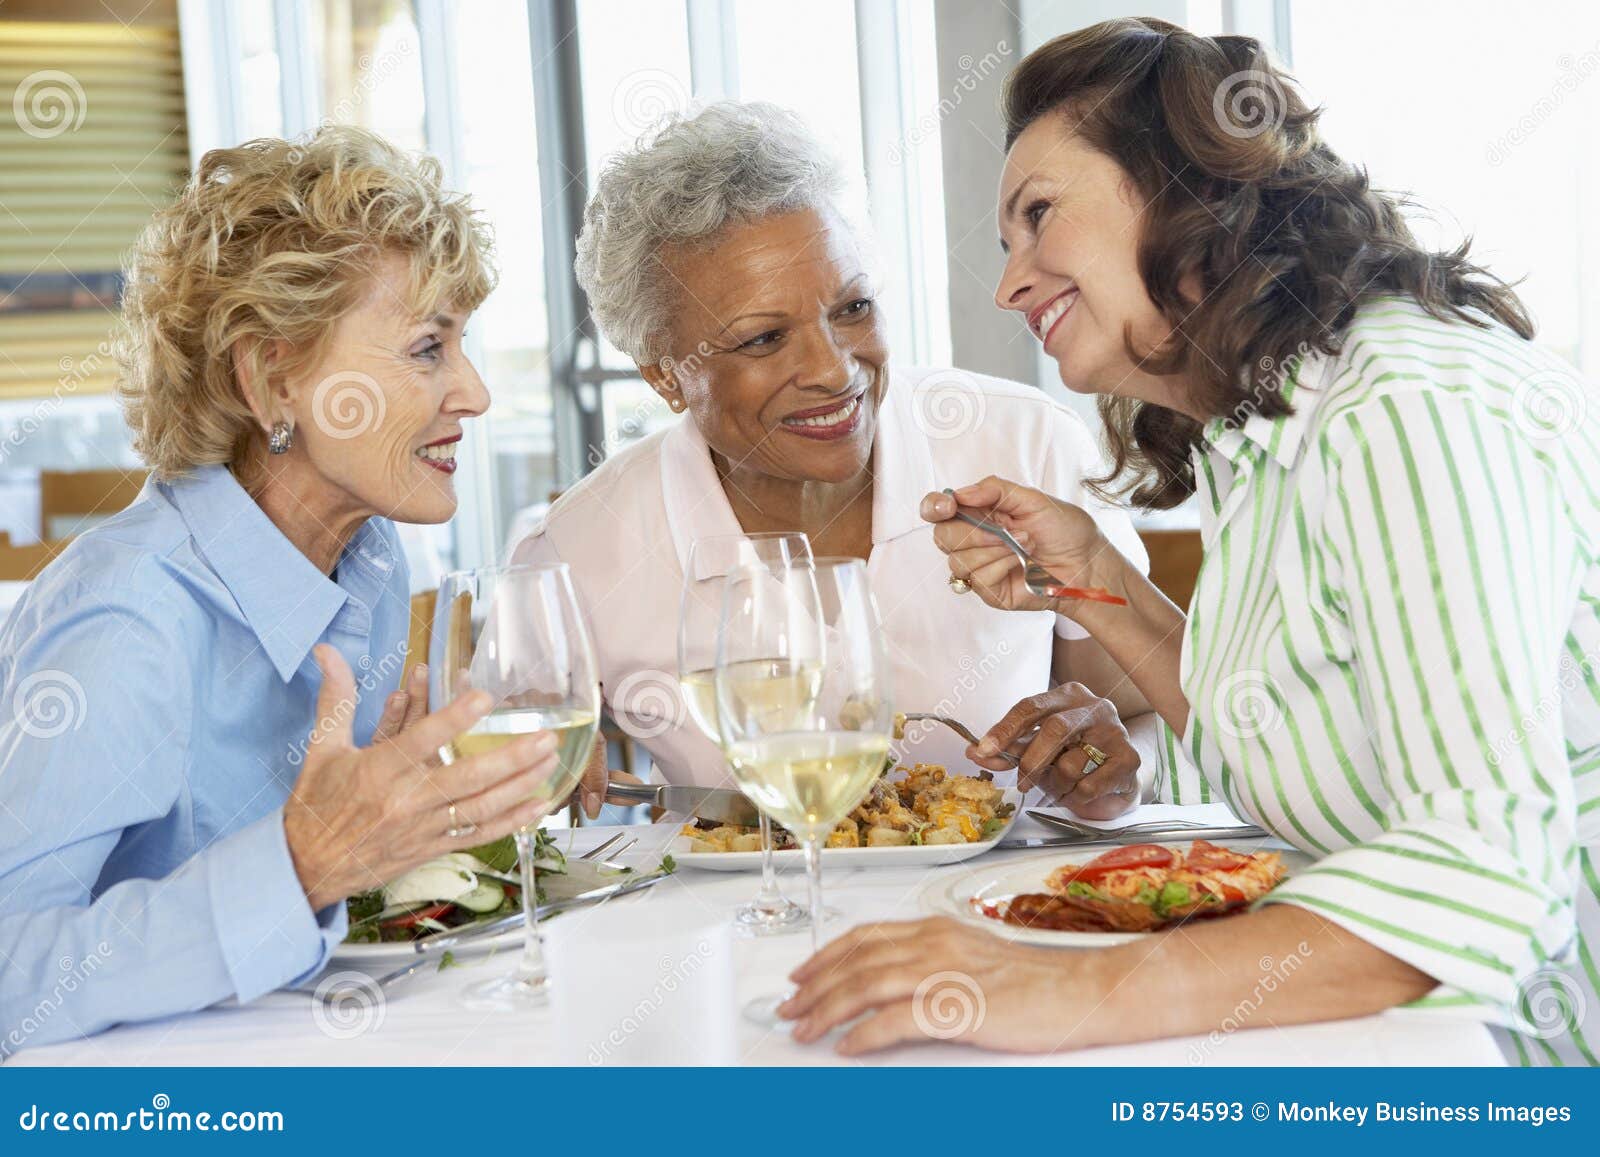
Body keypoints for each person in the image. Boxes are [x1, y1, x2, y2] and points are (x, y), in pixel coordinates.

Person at [779, 18, 1598, 1066]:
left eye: (1038, 216)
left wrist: (1065, 986)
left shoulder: (1407, 407)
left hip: (1521, 1053)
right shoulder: (1269, 426)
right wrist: (1099, 582)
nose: (1009, 283)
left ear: (1187, 191)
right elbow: (1284, 734)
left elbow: (1485, 868)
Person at [0, 127, 598, 1051]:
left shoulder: (371, 559)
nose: (475, 392)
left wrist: (403, 814)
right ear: (272, 377)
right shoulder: (126, 617)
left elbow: (324, 887)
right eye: (427, 347)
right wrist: (304, 861)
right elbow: (12, 977)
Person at [512, 101, 1154, 814]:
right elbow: (515, 777)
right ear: (664, 373)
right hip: (737, 923)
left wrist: (1117, 771)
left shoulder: (1026, 444)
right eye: (762, 339)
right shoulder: (580, 548)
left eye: (851, 309)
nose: (833, 369)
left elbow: (1137, 713)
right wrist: (538, 785)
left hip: (1004, 909)